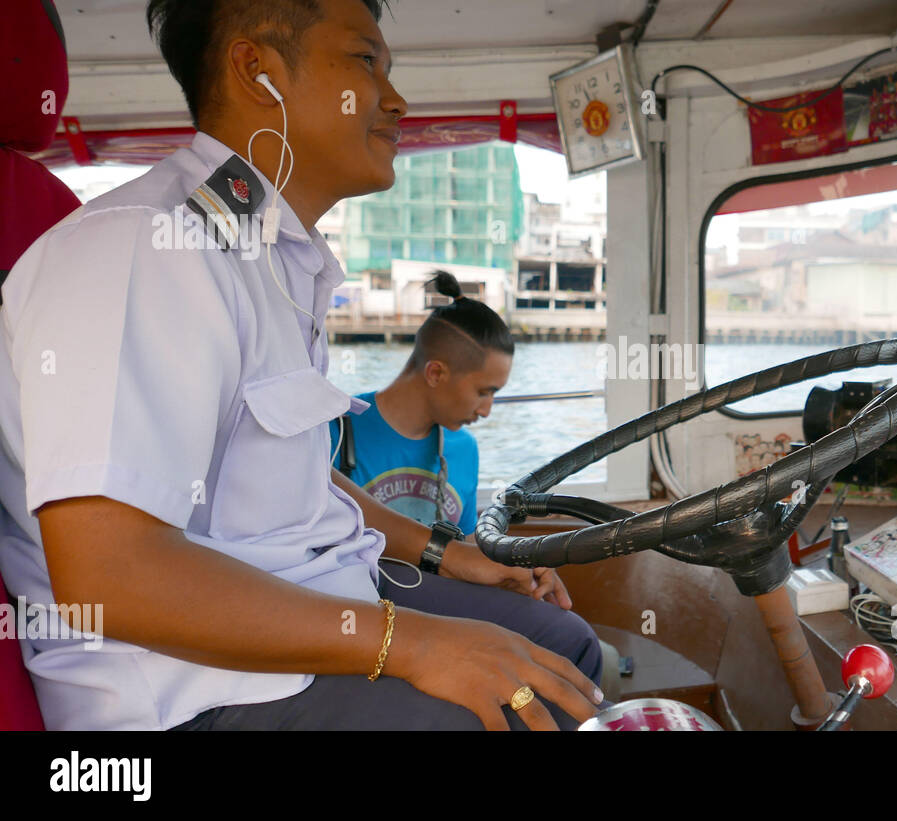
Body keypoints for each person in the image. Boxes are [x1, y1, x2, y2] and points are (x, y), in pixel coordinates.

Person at [0, 0, 603, 731]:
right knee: (528, 706)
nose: (396, 98)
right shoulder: (139, 251)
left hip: (311, 593)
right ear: (260, 72)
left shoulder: (269, 255)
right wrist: (409, 642)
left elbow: (291, 474)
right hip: (190, 690)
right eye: (364, 62)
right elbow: (111, 573)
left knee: (565, 646)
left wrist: (449, 552)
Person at [329, 271, 508, 542]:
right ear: (435, 373)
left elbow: (467, 549)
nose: (486, 411)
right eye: (483, 392)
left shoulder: (464, 449)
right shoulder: (335, 430)